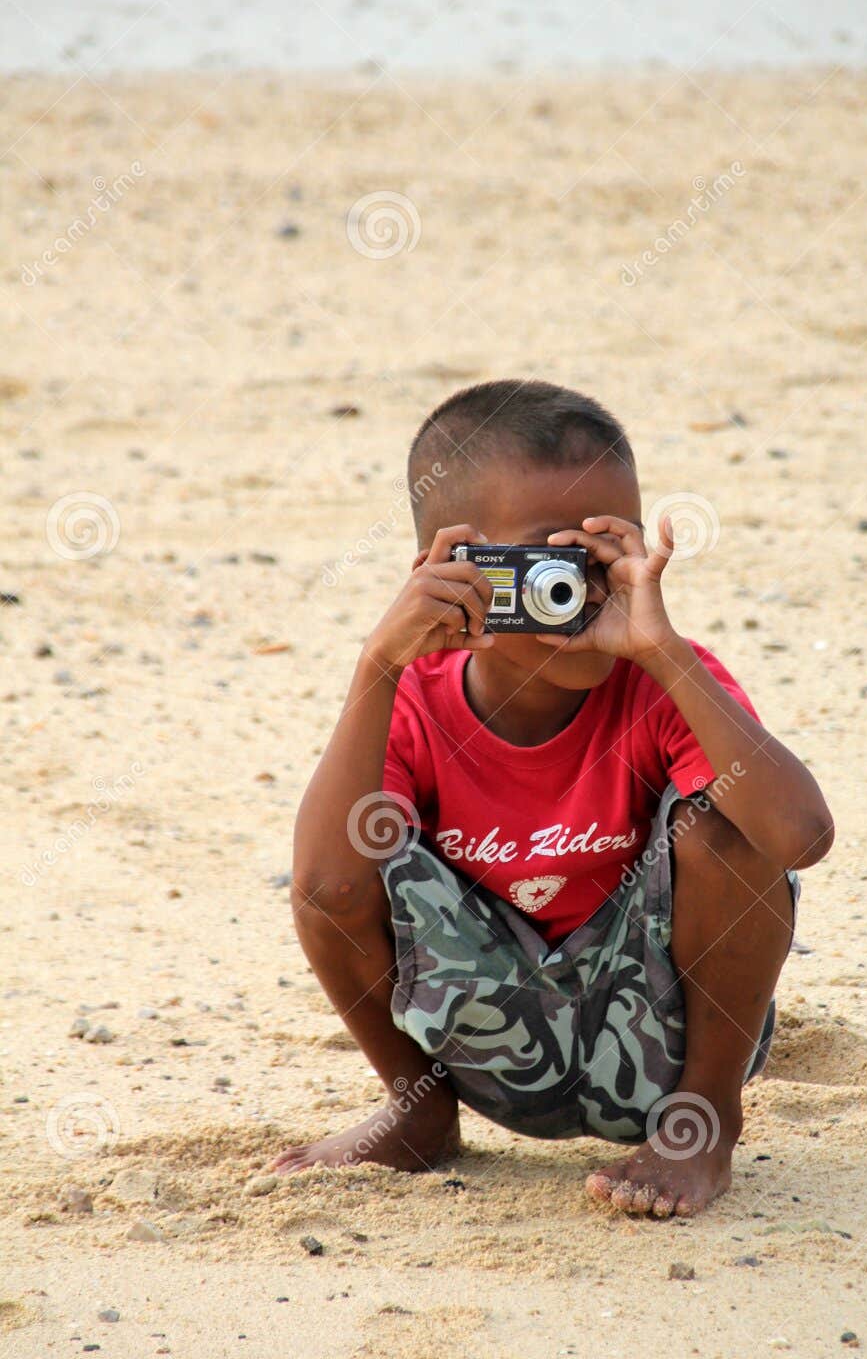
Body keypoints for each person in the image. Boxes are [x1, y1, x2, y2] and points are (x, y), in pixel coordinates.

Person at [273, 381, 833, 1218]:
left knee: (729, 817)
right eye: (550, 563)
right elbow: (325, 887)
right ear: (453, 566)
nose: (585, 590)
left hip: (655, 1040)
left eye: (607, 552)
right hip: (476, 1040)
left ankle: (703, 1121)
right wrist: (378, 666)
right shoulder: (412, 700)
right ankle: (418, 1113)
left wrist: (664, 652)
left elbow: (796, 839)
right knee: (352, 844)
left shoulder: (666, 682)